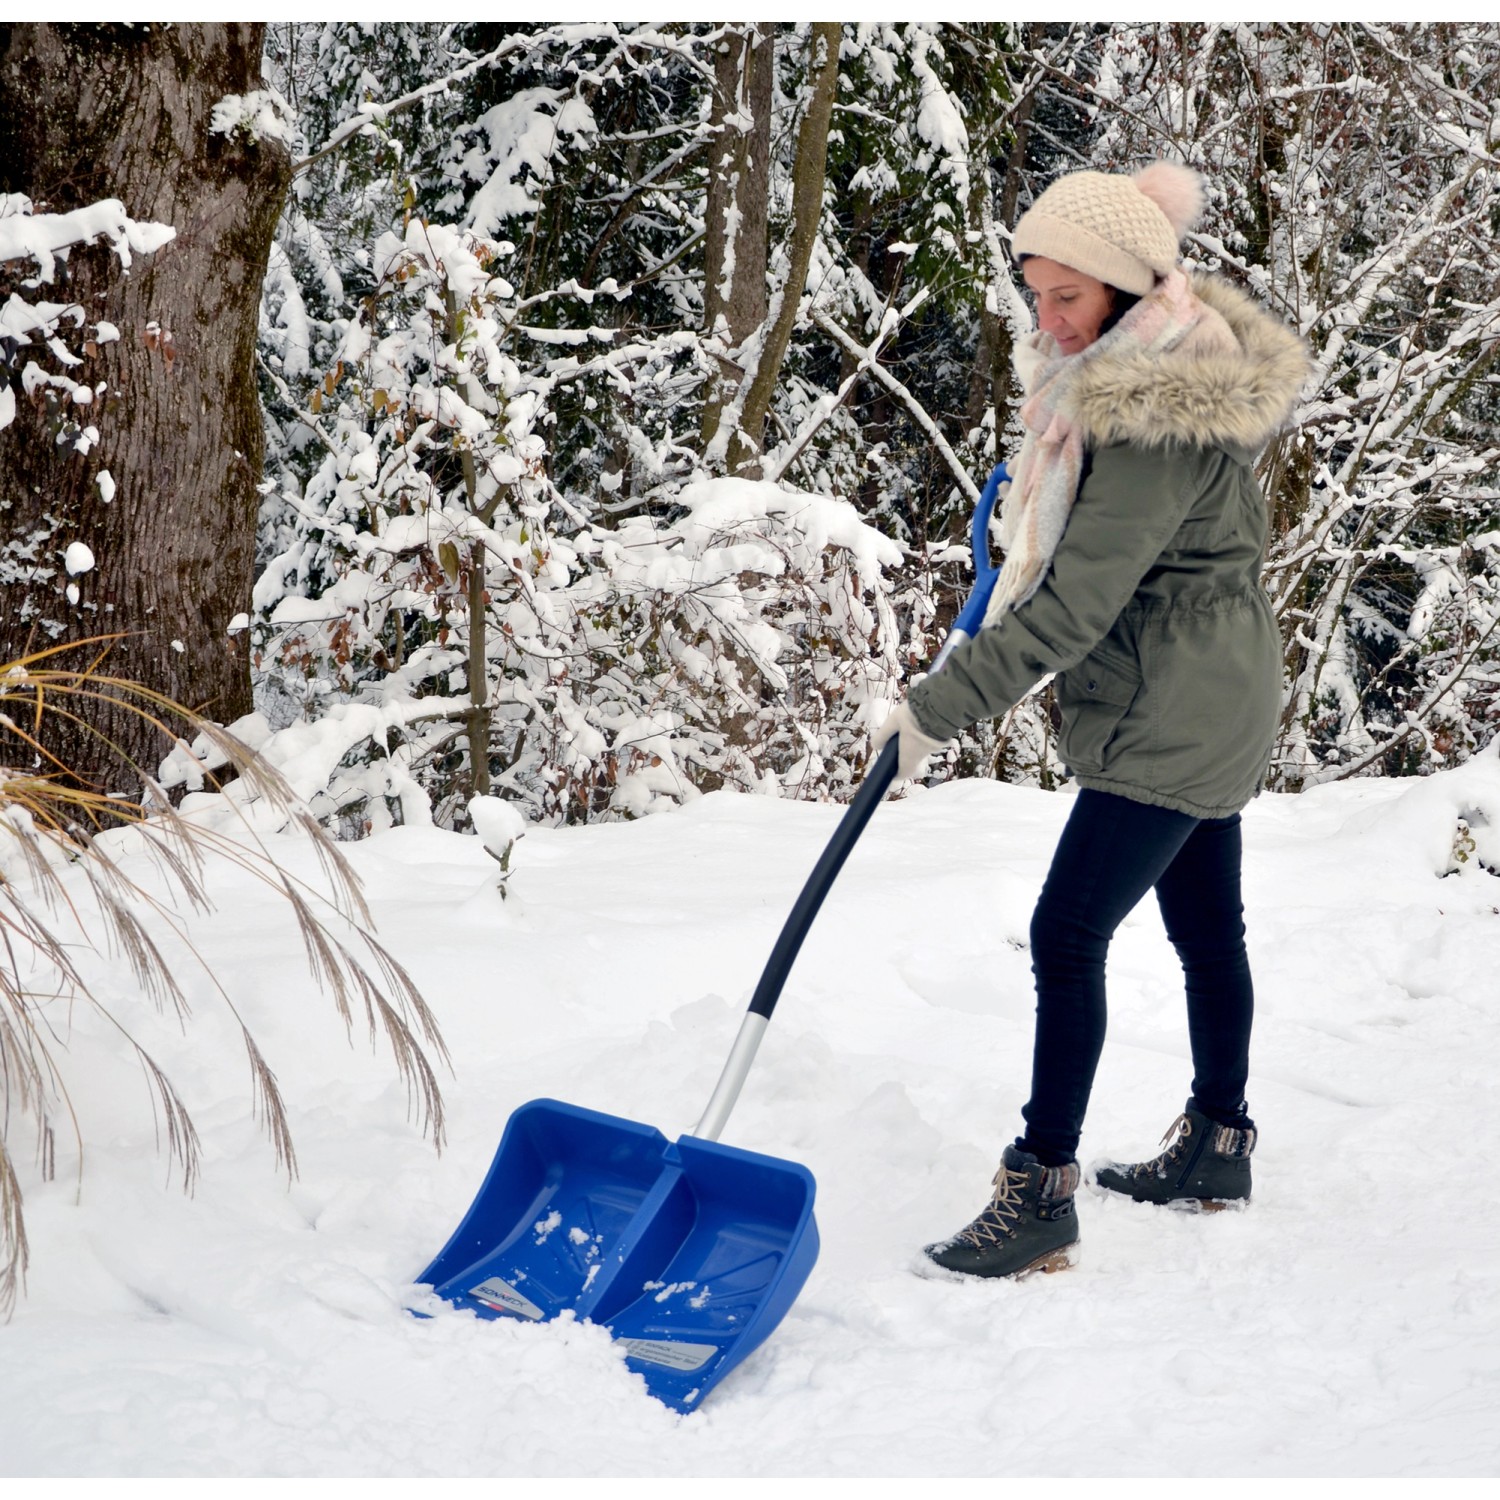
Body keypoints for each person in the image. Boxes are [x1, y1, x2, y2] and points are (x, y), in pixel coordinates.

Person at [873, 160, 1309, 1279]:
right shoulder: (1132, 379)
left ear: (1125, 289)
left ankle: (1040, 1192)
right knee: (1208, 932)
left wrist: (938, 710)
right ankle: (1218, 1144)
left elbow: (1077, 607)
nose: (1049, 317)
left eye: (1069, 295)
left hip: (1178, 701)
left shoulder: (1152, 414)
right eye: (1035, 293)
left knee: (1069, 935)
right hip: (1207, 681)